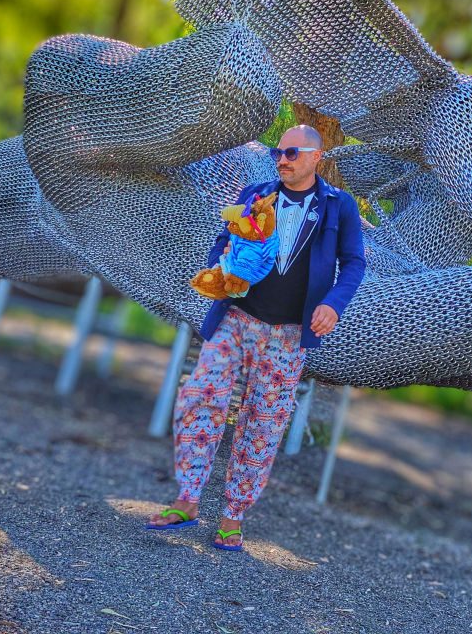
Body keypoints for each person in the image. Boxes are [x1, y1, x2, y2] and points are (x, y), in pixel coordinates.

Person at [146, 124, 366, 550]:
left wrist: (333, 304)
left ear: (315, 157)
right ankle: (187, 499)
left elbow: (354, 263)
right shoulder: (255, 193)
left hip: (288, 335)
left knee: (263, 424)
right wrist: (219, 272)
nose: (281, 160)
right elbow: (224, 240)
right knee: (200, 395)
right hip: (236, 319)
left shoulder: (339, 207)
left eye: (291, 153)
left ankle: (232, 517)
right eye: (277, 152)